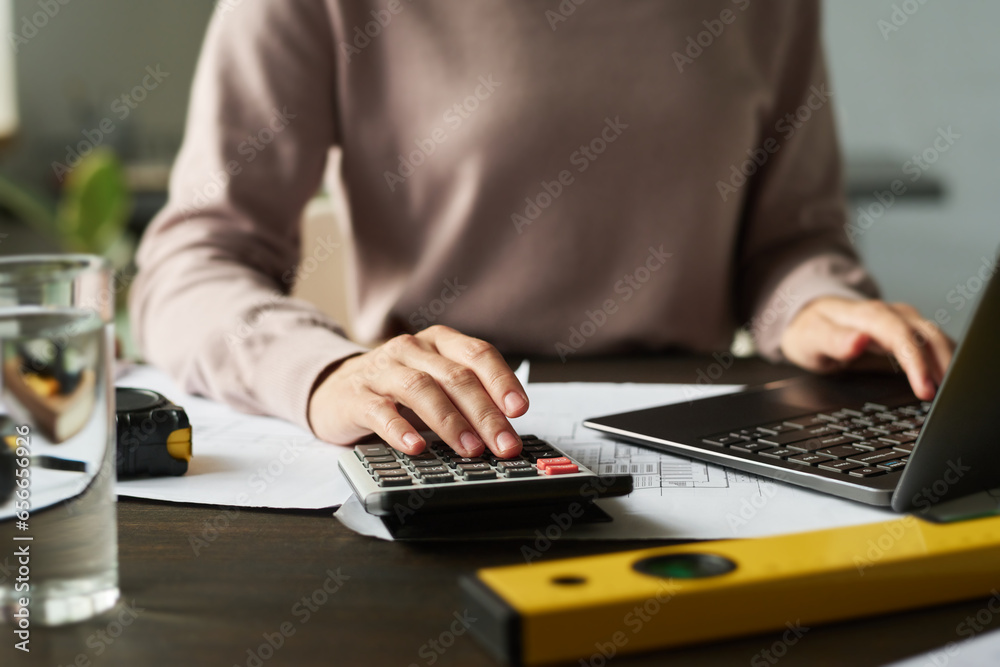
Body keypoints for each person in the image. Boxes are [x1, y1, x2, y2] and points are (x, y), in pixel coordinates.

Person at [130, 1, 953, 463]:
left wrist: (816, 304)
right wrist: (327, 370)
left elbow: (792, 244)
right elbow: (192, 261)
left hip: (704, 438)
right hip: (447, 438)